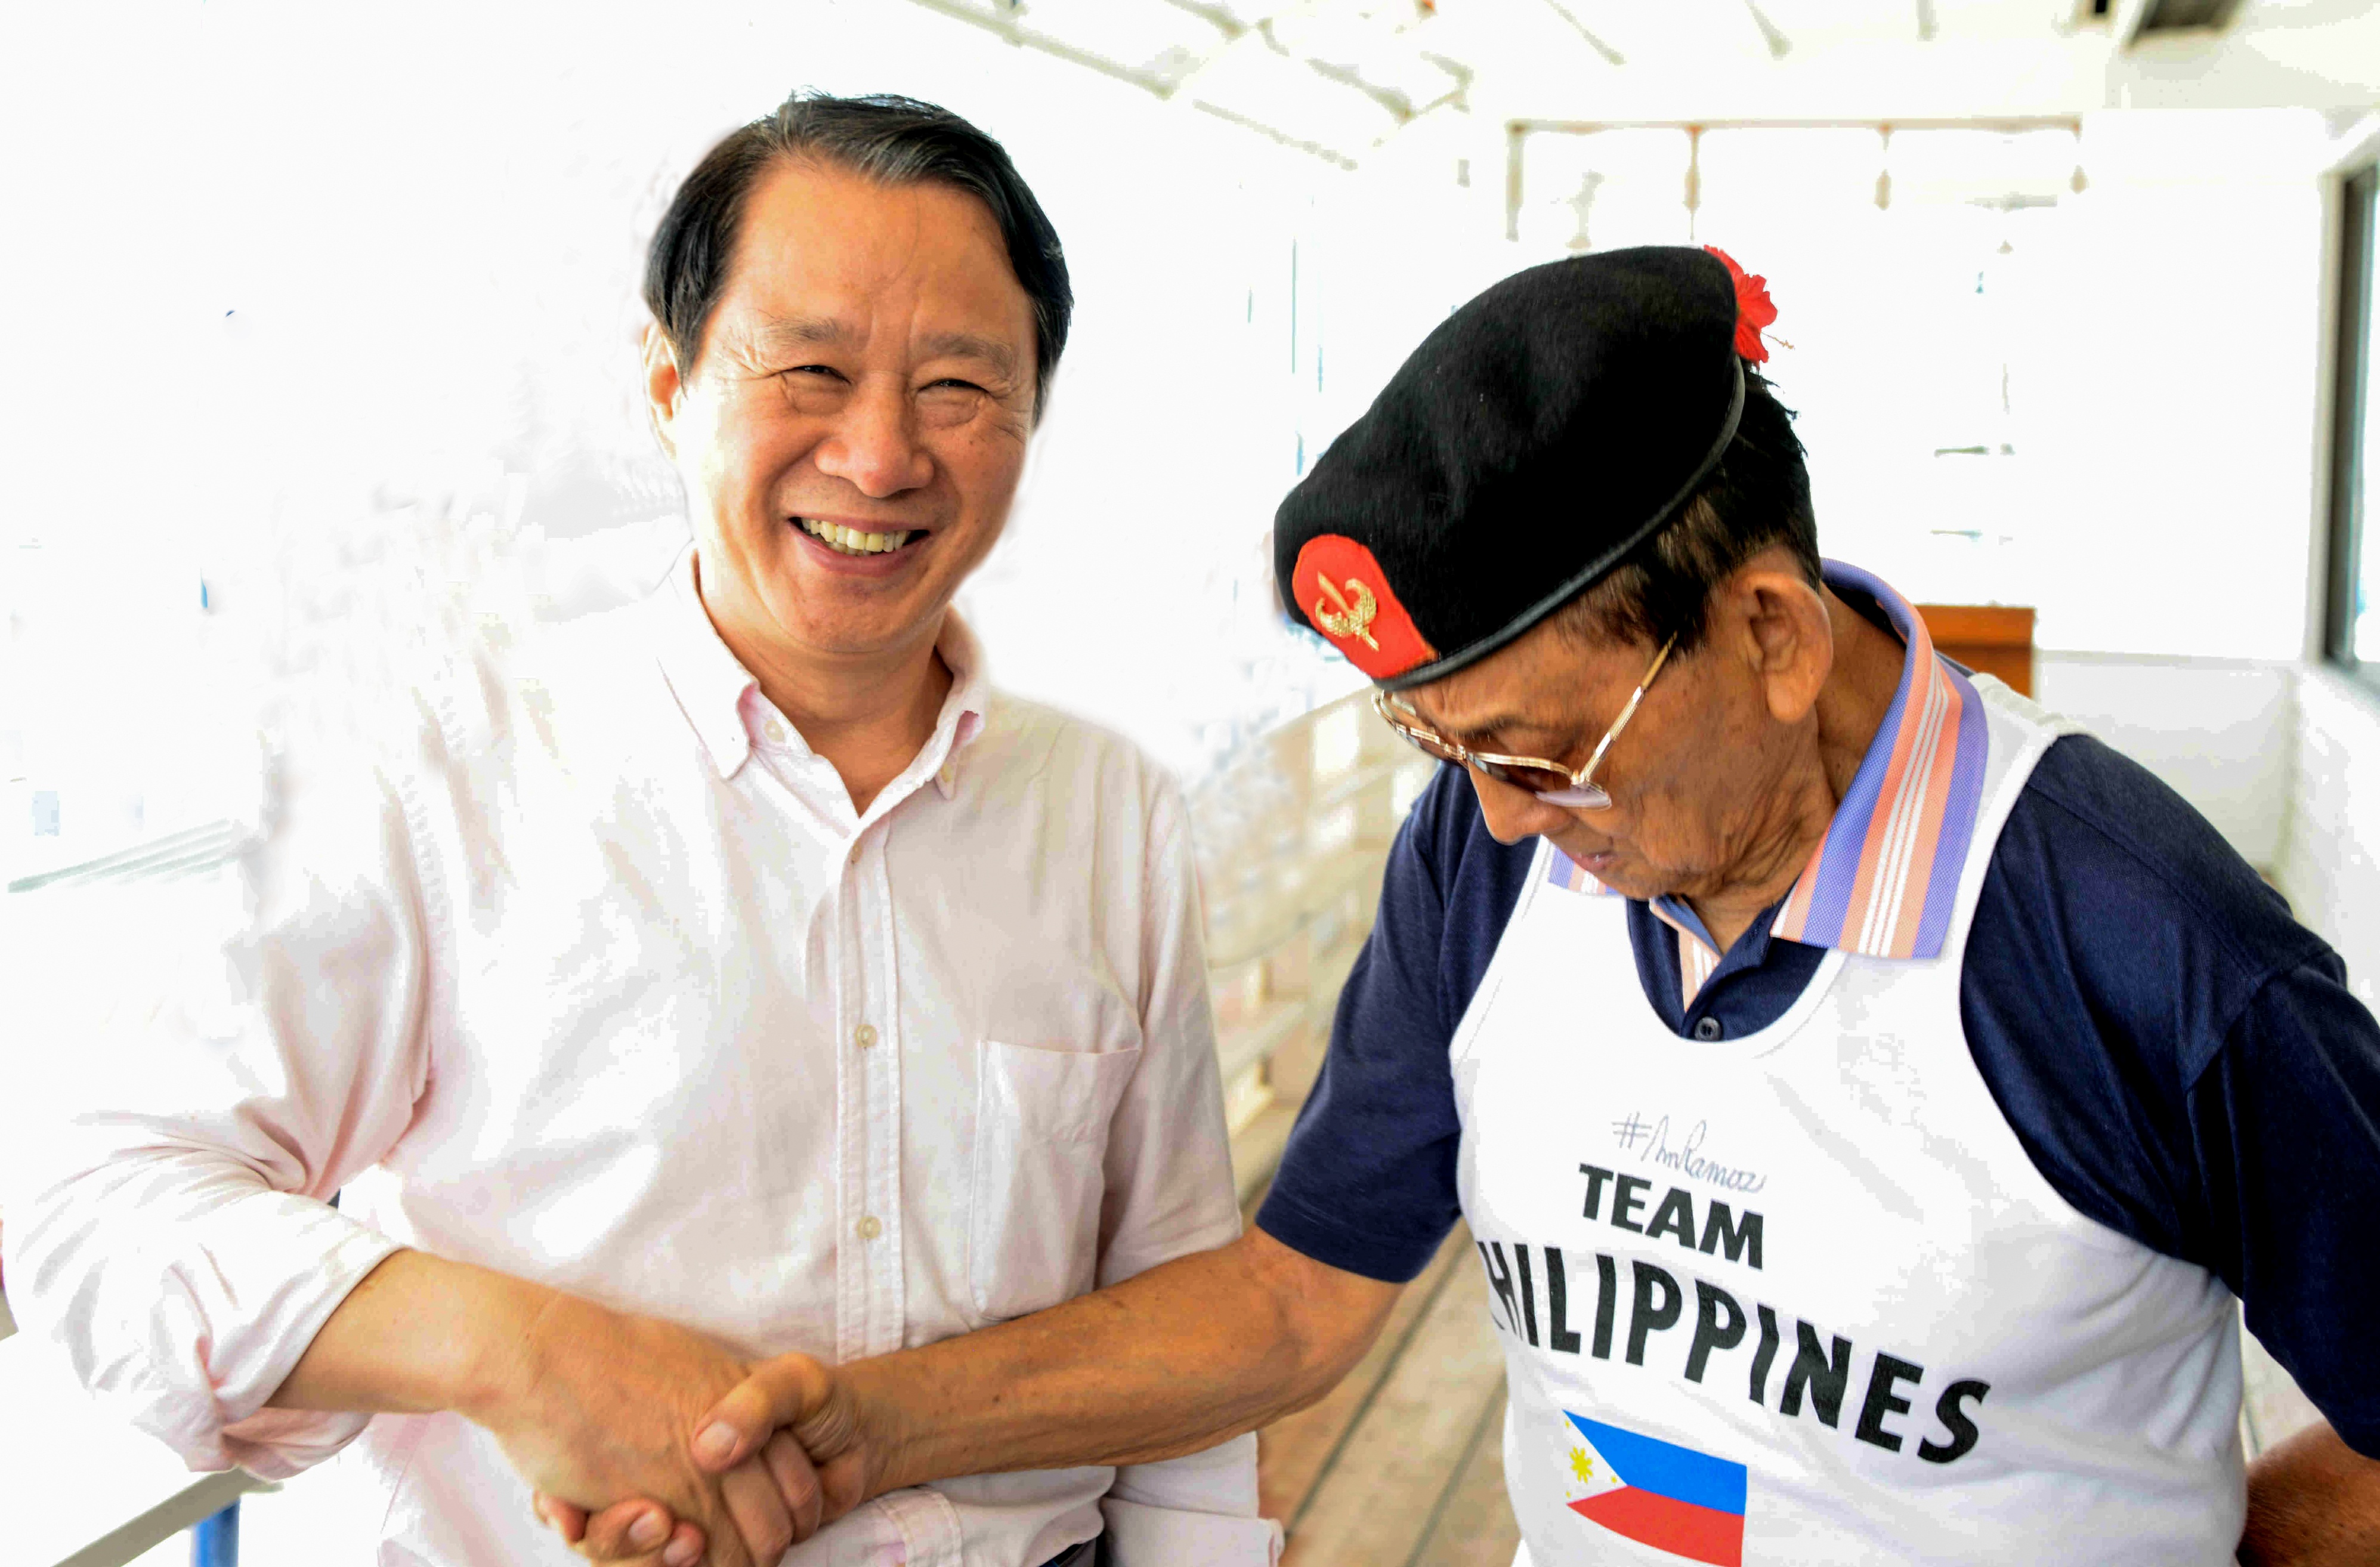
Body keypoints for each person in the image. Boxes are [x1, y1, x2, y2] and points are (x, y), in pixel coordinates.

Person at [552, 246, 2380, 1566]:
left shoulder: (2134, 942)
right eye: (1443, 751)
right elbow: (1294, 1300)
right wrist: (867, 1425)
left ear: (1762, 634)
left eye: (1545, 752)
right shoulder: (1496, 847)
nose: (1499, 818)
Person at [2, 92, 1280, 1567]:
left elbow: (1174, 1310)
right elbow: (100, 1206)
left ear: (1030, 417)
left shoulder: (1106, 811)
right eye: (810, 366)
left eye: (956, 388)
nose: (879, 457)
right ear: (669, 388)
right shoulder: (447, 768)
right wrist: (522, 1353)